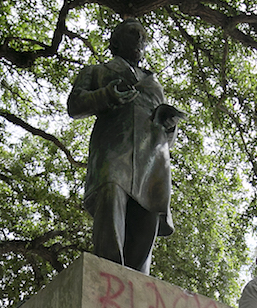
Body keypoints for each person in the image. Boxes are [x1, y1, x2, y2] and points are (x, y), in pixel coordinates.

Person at [67, 19, 183, 274]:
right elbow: (74, 105)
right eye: (134, 33)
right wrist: (107, 95)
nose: (141, 39)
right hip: (113, 149)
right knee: (110, 195)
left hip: (152, 159)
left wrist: (169, 126)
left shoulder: (154, 83)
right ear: (116, 40)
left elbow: (168, 140)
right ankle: (108, 275)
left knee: (147, 216)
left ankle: (135, 285)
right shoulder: (97, 71)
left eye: (144, 36)